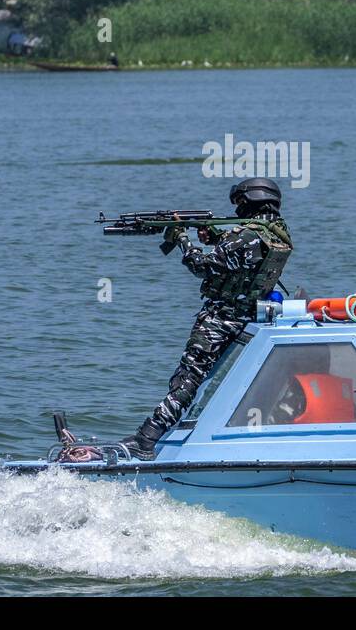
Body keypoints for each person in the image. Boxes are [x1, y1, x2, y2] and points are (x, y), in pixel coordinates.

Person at [118, 178, 292, 459]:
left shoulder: (247, 235)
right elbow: (244, 257)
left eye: (240, 204)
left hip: (220, 318)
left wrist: (183, 240)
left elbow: (202, 267)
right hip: (247, 315)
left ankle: (147, 439)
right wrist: (216, 238)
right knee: (212, 379)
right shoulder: (278, 233)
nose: (237, 210)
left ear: (252, 200)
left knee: (188, 378)